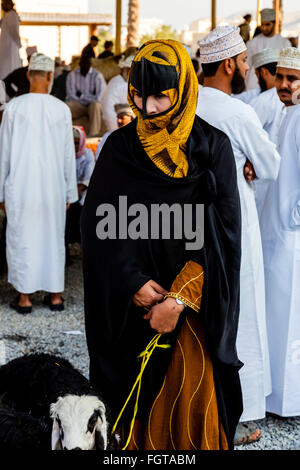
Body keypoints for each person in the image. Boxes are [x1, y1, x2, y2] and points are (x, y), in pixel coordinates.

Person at [81, 39, 243, 450]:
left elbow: (224, 236)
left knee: (190, 417)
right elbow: (98, 227)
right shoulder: (120, 150)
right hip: (131, 311)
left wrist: (178, 301)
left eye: (160, 96)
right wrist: (130, 282)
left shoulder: (212, 149)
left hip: (192, 313)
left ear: (183, 89)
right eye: (138, 94)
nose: (148, 108)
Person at [196, 25, 281, 445]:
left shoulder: (183, 105)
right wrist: (250, 162)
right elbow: (271, 165)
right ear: (229, 63)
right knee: (240, 310)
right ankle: (238, 416)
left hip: (188, 224)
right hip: (233, 224)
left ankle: (197, 405)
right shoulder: (237, 112)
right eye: (245, 60)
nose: (247, 67)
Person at [0, 52, 78, 313]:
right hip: (53, 188)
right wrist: (70, 193)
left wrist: (1, 192)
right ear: (49, 77)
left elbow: (3, 155)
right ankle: (55, 297)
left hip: (20, 188)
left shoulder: (13, 108)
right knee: (52, 239)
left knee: (22, 238)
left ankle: (24, 299)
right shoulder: (61, 109)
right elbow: (69, 157)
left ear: (27, 75)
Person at [260, 47, 300, 419]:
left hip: (292, 238)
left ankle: (290, 402)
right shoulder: (284, 114)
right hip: (277, 234)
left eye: (292, 78)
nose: (284, 84)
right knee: (277, 314)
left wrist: (293, 219)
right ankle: (277, 398)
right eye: (280, 76)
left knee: (291, 319)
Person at [249, 49, 285, 217]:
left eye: (257, 76)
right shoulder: (287, 98)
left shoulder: (263, 101)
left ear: (263, 72)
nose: (258, 81)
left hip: (261, 175)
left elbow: (248, 138)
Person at [65, 126, 95, 265]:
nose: (74, 145)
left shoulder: (87, 154)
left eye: (77, 142)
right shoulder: (63, 154)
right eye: (71, 142)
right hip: (66, 192)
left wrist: (75, 190)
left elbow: (88, 178)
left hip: (83, 191)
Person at [246, 8, 290, 90]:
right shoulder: (252, 43)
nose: (263, 28)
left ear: (274, 23)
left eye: (267, 24)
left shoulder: (284, 43)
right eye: (262, 24)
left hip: (276, 86)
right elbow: (247, 65)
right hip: (254, 85)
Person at [66, 54, 107, 137]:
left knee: (95, 105)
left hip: (92, 105)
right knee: (67, 106)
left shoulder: (97, 76)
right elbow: (71, 95)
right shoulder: (72, 75)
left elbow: (99, 98)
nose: (85, 66)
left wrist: (82, 96)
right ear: (79, 64)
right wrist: (90, 97)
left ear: (90, 65)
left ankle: (93, 134)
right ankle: (65, 133)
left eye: (87, 64)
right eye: (83, 64)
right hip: (79, 105)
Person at [101, 54, 135, 131]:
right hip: (117, 121)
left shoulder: (115, 79)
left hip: (112, 119)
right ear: (125, 70)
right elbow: (130, 108)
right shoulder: (122, 85)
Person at [0, 0, 22, 80]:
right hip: (6, 49)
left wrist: (19, 44)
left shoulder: (12, 15)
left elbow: (14, 31)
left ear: (10, 5)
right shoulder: (7, 16)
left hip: (10, 49)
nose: (3, 6)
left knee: (9, 70)